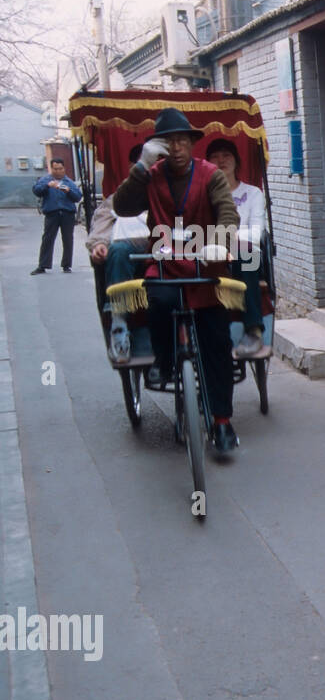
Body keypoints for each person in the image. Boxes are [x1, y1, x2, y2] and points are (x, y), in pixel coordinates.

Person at [111, 108, 243, 456]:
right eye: (170, 142)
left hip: (205, 264)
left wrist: (223, 238)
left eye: (183, 141)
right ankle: (165, 362)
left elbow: (228, 211)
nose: (177, 148)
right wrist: (140, 168)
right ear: (161, 147)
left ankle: (223, 423)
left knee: (217, 343)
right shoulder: (150, 175)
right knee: (160, 300)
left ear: (191, 144)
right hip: (166, 264)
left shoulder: (210, 174)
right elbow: (122, 207)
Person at [87, 144, 151, 362]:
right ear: (133, 167)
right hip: (127, 252)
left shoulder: (171, 192)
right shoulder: (117, 198)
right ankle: (119, 322)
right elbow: (102, 225)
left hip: (163, 248)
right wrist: (98, 245)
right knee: (117, 250)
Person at [205, 138, 268, 357]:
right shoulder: (203, 194)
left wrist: (223, 238)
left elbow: (256, 233)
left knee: (247, 254)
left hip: (244, 254)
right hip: (211, 254)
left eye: (226, 155)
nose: (221, 160)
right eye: (215, 156)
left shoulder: (253, 194)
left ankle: (253, 330)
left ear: (237, 160)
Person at [31, 158, 83, 274]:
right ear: (51, 169)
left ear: (64, 169)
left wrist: (68, 191)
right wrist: (47, 186)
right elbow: (36, 191)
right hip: (52, 213)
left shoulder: (69, 182)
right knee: (47, 239)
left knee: (68, 239)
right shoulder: (45, 180)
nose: (58, 171)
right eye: (55, 169)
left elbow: (78, 197)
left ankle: (66, 265)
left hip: (67, 214)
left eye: (60, 169)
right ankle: (43, 265)